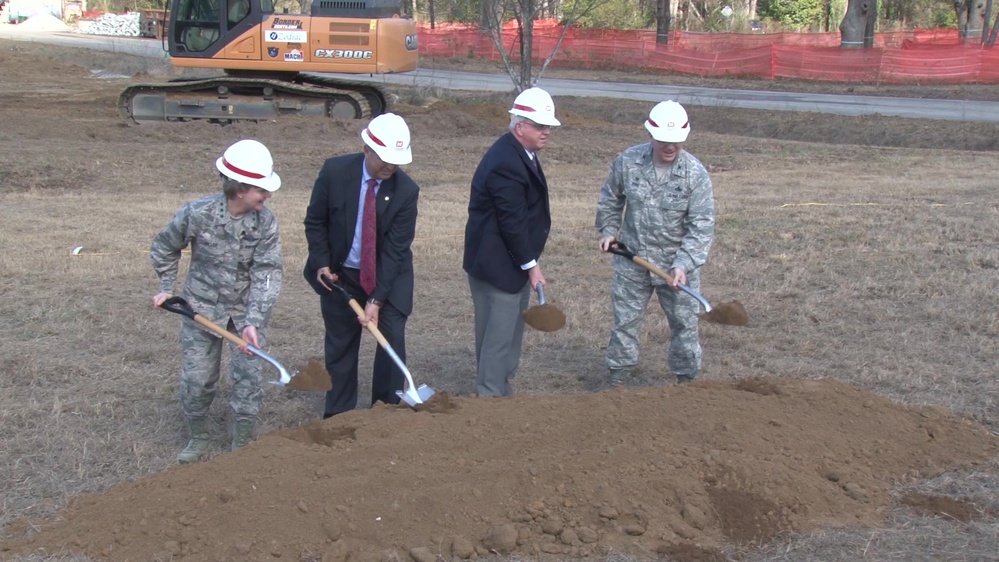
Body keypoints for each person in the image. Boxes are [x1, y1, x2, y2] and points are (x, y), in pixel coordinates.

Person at [151, 139, 284, 463]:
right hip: (201, 309)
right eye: (261, 189)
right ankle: (198, 437)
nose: (268, 196)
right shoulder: (197, 214)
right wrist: (167, 287)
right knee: (198, 379)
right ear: (240, 189)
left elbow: (268, 271)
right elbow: (164, 247)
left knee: (248, 378)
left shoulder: (266, 222)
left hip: (245, 313)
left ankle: (242, 442)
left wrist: (253, 319)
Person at [303, 113, 419, 418]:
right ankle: (339, 415)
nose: (390, 166)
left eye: (396, 160)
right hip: (340, 273)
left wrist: (376, 300)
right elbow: (316, 222)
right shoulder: (335, 172)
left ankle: (385, 411)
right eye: (384, 159)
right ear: (367, 148)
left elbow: (396, 250)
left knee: (391, 335)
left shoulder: (406, 191)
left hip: (388, 275)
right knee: (340, 344)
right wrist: (321, 263)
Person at [596, 100, 715, 387]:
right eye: (664, 140)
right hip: (632, 260)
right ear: (650, 134)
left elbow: (701, 226)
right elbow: (611, 198)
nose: (670, 147)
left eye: (676, 141)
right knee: (625, 323)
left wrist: (683, 264)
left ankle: (686, 381)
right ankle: (618, 379)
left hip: (676, 268)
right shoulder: (628, 162)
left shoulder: (695, 175)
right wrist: (609, 230)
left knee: (685, 326)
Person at [463, 87, 560, 397]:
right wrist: (532, 266)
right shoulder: (506, 162)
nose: (546, 132)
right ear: (520, 127)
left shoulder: (520, 153)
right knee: (498, 334)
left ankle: (500, 389)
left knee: (508, 331)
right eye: (540, 126)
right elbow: (511, 221)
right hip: (498, 264)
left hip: (508, 261)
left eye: (548, 126)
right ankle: (490, 396)